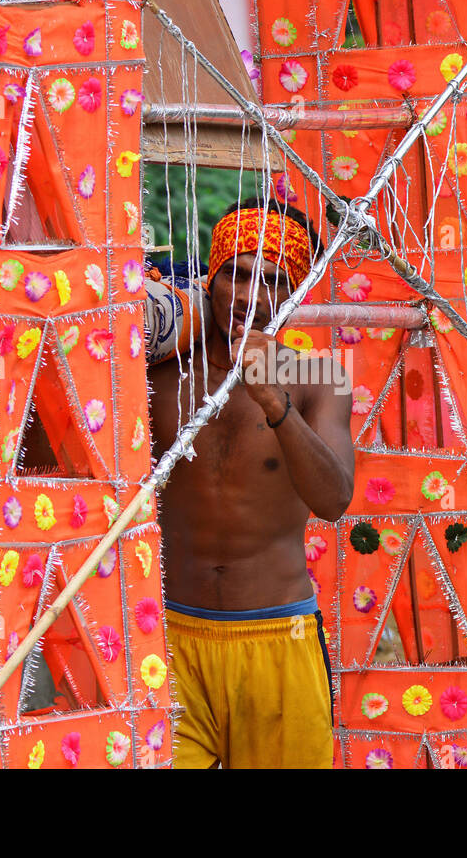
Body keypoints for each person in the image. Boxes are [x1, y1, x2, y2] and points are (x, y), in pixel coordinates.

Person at [148, 198, 355, 769]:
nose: (249, 295)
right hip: (165, 638)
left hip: (276, 638)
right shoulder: (159, 373)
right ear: (209, 279)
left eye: (270, 280)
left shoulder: (317, 379)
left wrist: (274, 404)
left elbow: (335, 499)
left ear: (290, 293)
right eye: (236, 273)